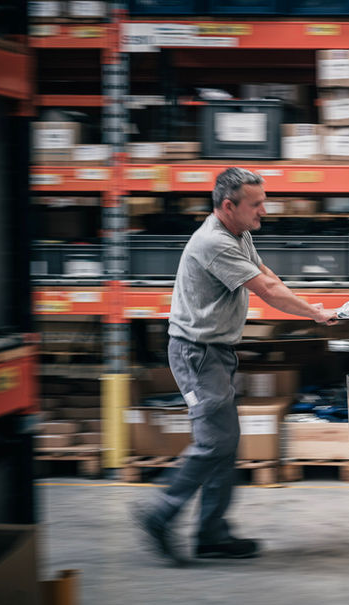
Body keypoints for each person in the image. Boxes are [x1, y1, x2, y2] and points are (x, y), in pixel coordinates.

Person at [134, 167, 337, 565]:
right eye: (257, 204)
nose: (265, 210)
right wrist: (313, 313)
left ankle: (211, 533)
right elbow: (265, 291)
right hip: (196, 355)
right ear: (229, 206)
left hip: (218, 353)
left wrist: (311, 306)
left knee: (225, 446)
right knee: (215, 442)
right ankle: (160, 513)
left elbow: (266, 275)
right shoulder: (213, 242)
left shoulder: (238, 234)